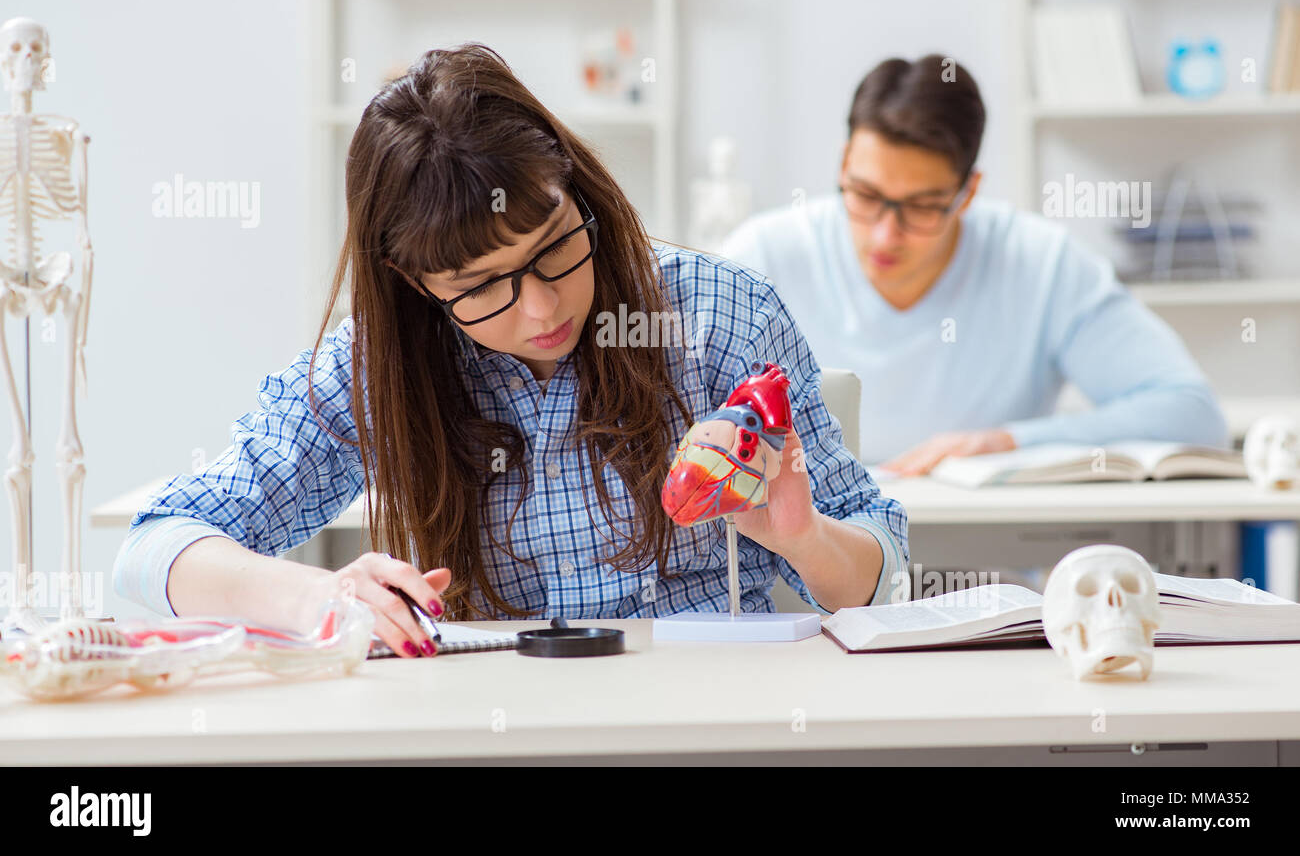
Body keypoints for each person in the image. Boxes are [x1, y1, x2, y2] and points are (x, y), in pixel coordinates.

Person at [112, 44, 908, 658]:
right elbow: (152, 550)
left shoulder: (715, 313)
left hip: (704, 722)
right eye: (481, 284)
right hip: (494, 733)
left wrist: (803, 538)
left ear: (575, 188)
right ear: (416, 283)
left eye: (554, 245)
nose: (541, 308)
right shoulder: (377, 370)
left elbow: (885, 574)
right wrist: (316, 598)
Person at [721, 55, 1228, 474]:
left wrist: (1008, 441)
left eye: (921, 206)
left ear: (968, 193)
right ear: (842, 163)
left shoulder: (1041, 264)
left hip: (986, 577)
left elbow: (1192, 414)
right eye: (866, 194)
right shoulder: (761, 259)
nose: (885, 233)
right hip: (798, 582)